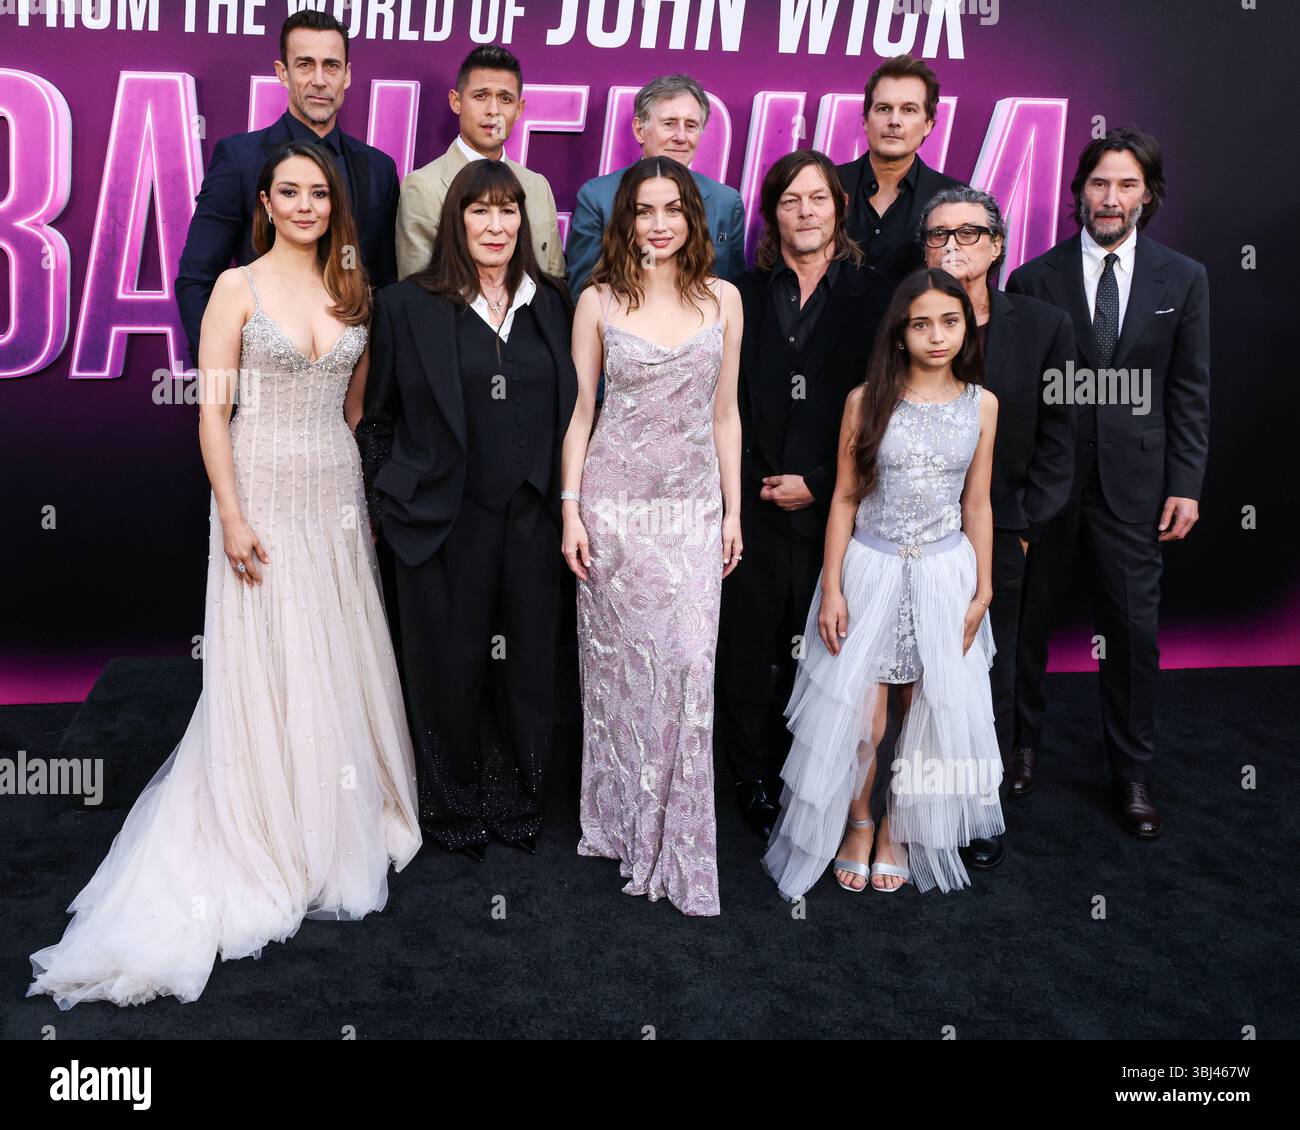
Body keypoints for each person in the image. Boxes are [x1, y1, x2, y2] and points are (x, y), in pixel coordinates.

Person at [28, 143, 420, 1009]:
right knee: (269, 659)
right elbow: (213, 411)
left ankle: (328, 823)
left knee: (333, 652)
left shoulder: (354, 291)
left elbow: (354, 409)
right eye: (291, 191)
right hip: (260, 494)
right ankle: (265, 831)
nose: (307, 204)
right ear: (267, 203)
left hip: (334, 492)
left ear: (336, 205)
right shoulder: (236, 290)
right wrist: (234, 514)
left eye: (321, 193)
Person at [357, 160, 577, 860]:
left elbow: (574, 415)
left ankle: (520, 799)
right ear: (455, 220)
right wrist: (389, 505)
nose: (496, 224)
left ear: (525, 221)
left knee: (528, 674)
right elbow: (377, 418)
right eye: (479, 210)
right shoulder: (405, 306)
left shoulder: (555, 304)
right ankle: (452, 806)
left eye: (508, 210)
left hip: (532, 524)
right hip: (440, 525)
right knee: (446, 671)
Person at [764, 268, 1003, 899]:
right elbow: (843, 499)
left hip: (946, 573)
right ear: (900, 333)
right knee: (864, 724)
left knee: (927, 710)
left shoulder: (982, 405)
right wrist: (835, 587)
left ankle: (900, 828)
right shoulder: (864, 401)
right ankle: (859, 823)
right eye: (921, 323)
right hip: (870, 569)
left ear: (967, 326)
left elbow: (977, 503)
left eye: (949, 322)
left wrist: (983, 589)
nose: (936, 336)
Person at [1006, 128, 1210, 838]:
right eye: (1098, 183)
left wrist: (1185, 482)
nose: (1111, 197)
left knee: (1131, 633)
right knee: (1025, 626)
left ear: (1147, 195)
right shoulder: (1034, 278)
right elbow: (1023, 391)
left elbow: (1188, 390)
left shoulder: (1182, 278)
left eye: (1126, 185)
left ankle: (1130, 774)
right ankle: (1019, 750)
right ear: (1078, 192)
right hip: (1047, 485)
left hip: (1136, 488)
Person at [561, 156, 743, 916]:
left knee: (687, 665)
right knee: (623, 676)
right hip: (617, 510)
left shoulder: (725, 299)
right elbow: (580, 413)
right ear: (624, 220)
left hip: (694, 510)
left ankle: (679, 835)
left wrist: (735, 510)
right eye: (645, 210)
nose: (660, 222)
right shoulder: (596, 301)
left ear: (693, 217)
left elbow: (725, 413)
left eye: (673, 208)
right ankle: (623, 824)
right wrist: (570, 510)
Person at [715, 150, 892, 841]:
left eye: (817, 198)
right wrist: (752, 485)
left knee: (823, 655)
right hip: (750, 505)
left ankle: (812, 783)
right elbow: (719, 399)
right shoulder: (740, 294)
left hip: (838, 509)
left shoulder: (877, 297)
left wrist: (817, 483)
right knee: (748, 653)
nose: (806, 211)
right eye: (791, 200)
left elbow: (885, 408)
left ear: (839, 208)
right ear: (773, 213)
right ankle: (751, 779)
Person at [919, 185, 1076, 870]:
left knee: (993, 671)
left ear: (999, 244)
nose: (953, 244)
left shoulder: (1046, 326)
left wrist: (1021, 527)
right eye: (938, 233)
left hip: (1002, 531)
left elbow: (1062, 437)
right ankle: (916, 803)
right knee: (918, 672)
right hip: (913, 531)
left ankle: (980, 808)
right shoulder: (906, 319)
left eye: (970, 232)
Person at [176, 9, 399, 372]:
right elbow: (196, 279)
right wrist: (224, 381)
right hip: (261, 391)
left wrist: (376, 390)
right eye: (305, 65)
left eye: (331, 66)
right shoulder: (240, 159)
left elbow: (385, 286)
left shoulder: (379, 169)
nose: (319, 80)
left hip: (354, 389)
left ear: (347, 75)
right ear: (283, 72)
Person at [565, 74, 746, 297]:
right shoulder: (598, 197)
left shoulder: (726, 202)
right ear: (640, 130)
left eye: (691, 125)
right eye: (669, 124)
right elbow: (582, 293)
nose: (681, 136)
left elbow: (733, 292)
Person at [396, 45, 565, 281]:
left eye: (505, 99)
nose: (493, 111)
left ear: (519, 110)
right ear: (456, 102)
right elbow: (416, 292)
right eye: (481, 96)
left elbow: (554, 283)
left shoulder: (537, 186)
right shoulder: (423, 187)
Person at [836, 54, 963, 287]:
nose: (894, 121)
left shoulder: (955, 199)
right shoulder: (828, 185)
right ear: (865, 120)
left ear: (928, 124)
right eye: (884, 108)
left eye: (908, 110)